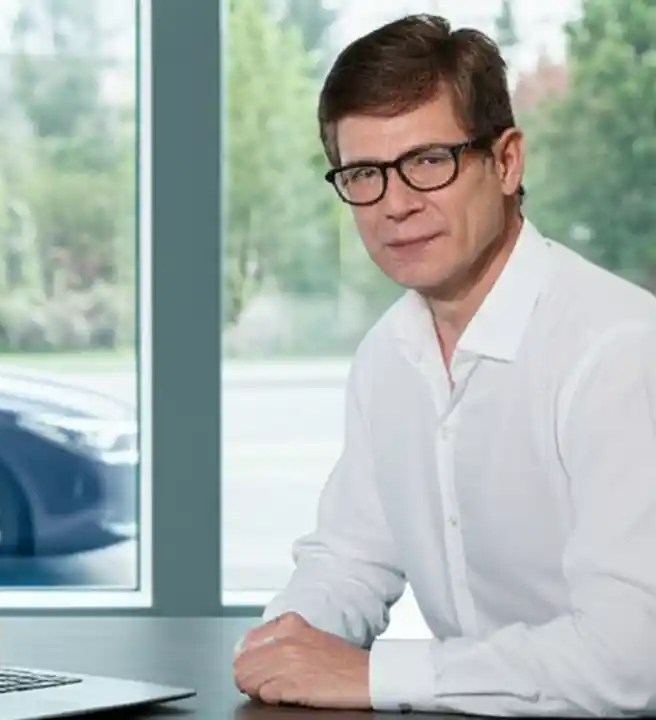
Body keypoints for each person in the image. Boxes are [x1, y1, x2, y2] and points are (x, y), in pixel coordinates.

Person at [232, 13, 656, 717]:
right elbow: (349, 558)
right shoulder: (387, 357)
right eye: (364, 173)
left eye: (429, 161)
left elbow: (631, 656)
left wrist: (370, 677)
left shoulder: (620, 352)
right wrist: (288, 639)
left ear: (507, 161)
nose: (396, 204)